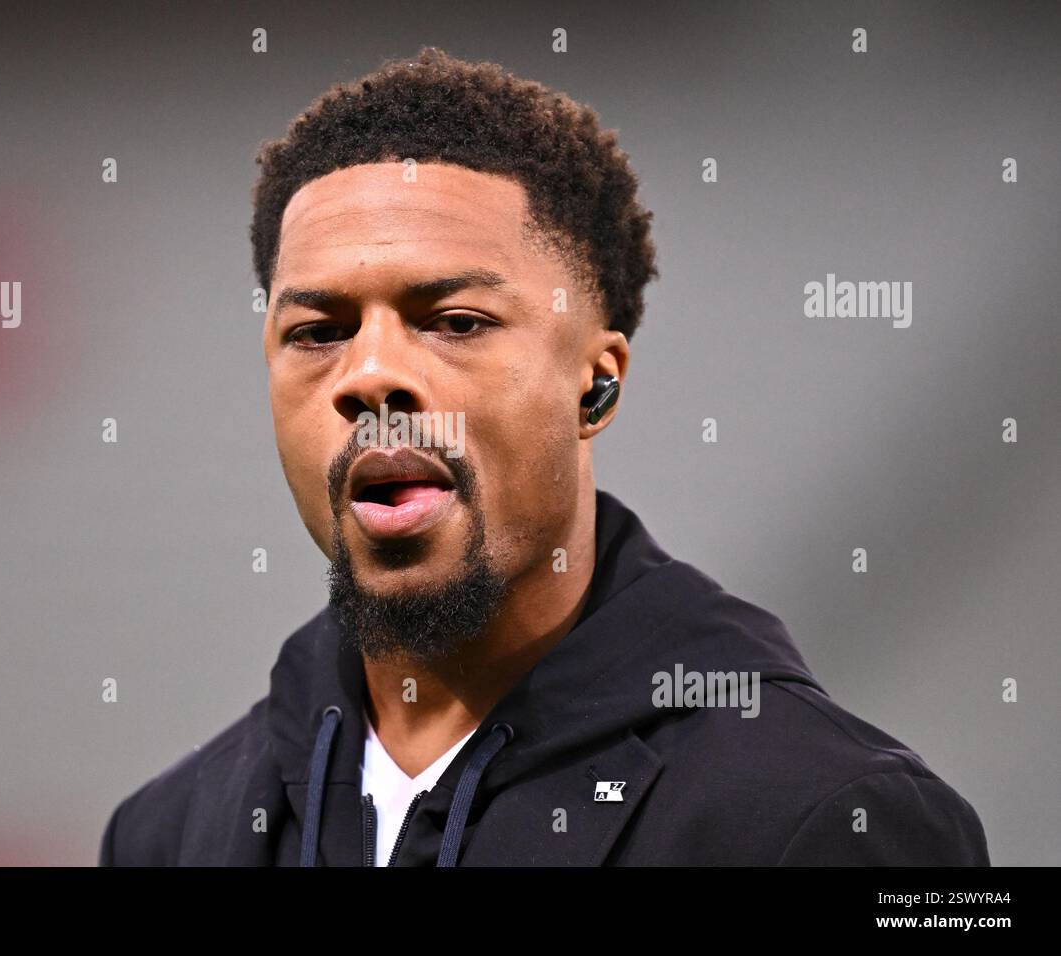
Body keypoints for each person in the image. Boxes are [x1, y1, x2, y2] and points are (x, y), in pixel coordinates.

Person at [99, 47, 989, 866]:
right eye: (319, 331)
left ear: (594, 386)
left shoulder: (833, 816)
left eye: (454, 322)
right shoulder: (168, 835)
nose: (370, 376)